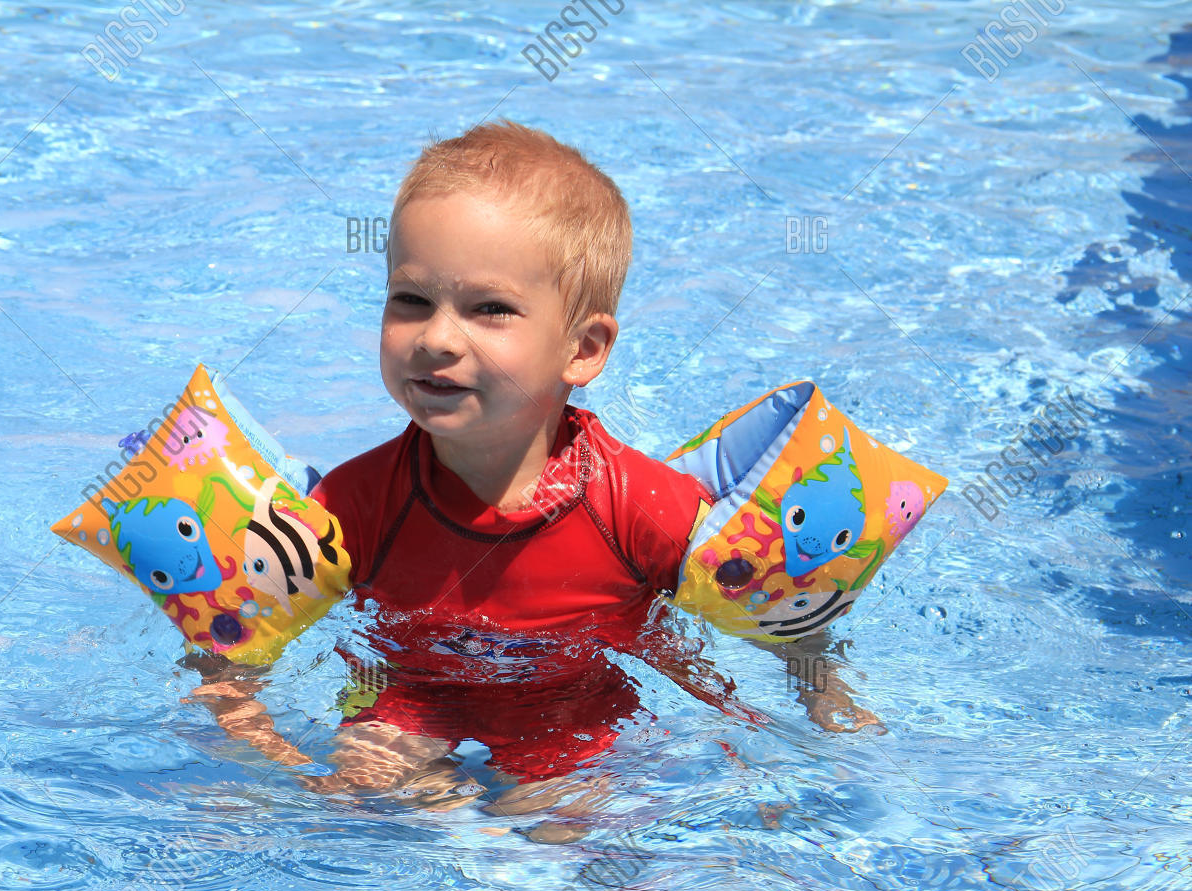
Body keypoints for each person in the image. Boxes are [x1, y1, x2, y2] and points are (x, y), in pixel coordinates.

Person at [186, 122, 879, 838]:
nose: (437, 338)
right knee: (372, 806)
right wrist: (262, 744)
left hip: (573, 714)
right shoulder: (355, 506)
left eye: (490, 309)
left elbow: (785, 626)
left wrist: (828, 700)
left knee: (555, 842)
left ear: (582, 349)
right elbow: (227, 649)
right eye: (411, 300)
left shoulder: (636, 506)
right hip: (404, 698)